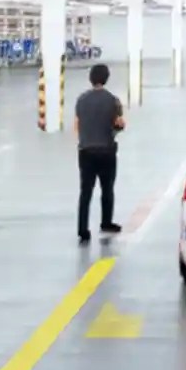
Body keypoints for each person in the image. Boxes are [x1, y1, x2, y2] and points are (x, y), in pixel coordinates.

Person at [74, 63, 125, 242]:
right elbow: (119, 124)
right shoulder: (113, 101)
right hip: (106, 151)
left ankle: (82, 228)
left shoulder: (81, 100)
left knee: (85, 191)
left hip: (86, 151)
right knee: (107, 188)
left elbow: (78, 125)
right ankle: (106, 222)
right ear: (106, 78)